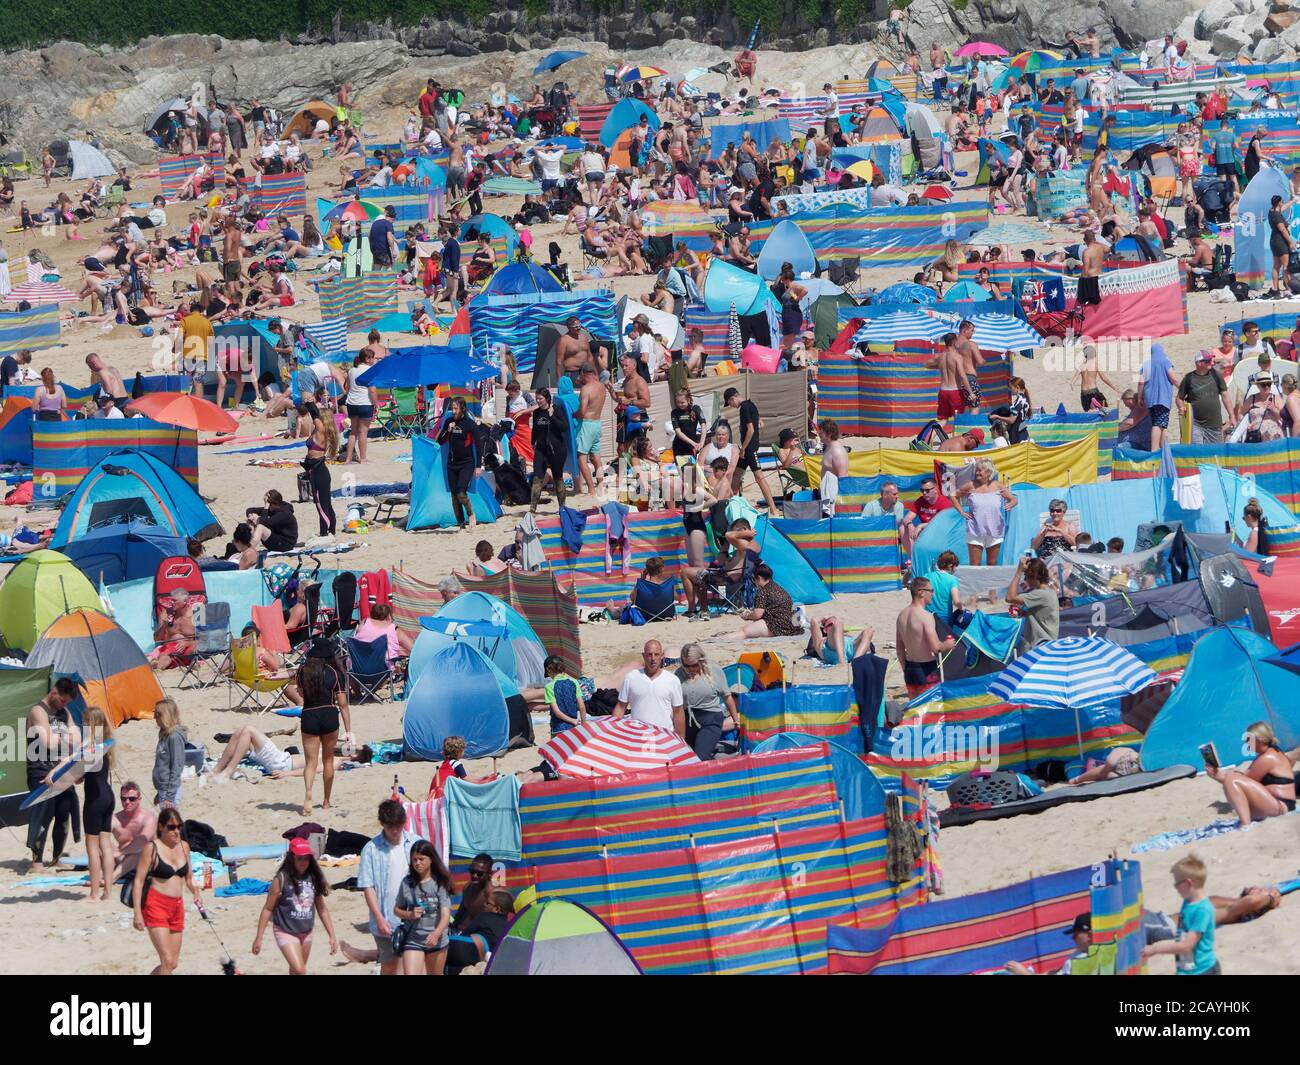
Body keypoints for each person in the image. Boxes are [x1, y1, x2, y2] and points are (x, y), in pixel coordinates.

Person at [131, 808, 204, 975]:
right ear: (161, 827)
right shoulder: (151, 848)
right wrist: (137, 913)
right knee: (167, 960)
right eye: (171, 827)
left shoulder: (184, 847)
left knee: (173, 963)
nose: (176, 831)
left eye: (179, 826)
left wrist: (196, 892)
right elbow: (138, 881)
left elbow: (188, 877)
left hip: (177, 907)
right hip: (155, 905)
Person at [252, 838, 338, 974]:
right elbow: (267, 909)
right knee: (300, 970)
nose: (303, 862)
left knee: (295, 971)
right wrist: (259, 938)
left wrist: (332, 936)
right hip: (285, 931)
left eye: (306, 858)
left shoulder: (313, 878)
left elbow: (322, 910)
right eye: (299, 859)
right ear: (292, 858)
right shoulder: (281, 879)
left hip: (306, 932)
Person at [354, 799, 419, 976]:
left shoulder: (416, 844)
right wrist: (379, 918)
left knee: (412, 966)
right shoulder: (371, 849)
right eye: (391, 827)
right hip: (386, 920)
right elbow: (368, 887)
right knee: (390, 966)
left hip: (415, 919)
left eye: (398, 825)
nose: (395, 831)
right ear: (382, 824)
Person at [24, 678, 81, 873]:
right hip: (40, 770)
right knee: (44, 814)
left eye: (67, 703)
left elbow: (77, 737)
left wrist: (64, 737)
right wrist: (66, 736)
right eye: (63, 700)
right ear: (54, 693)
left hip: (60, 769)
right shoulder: (37, 711)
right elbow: (47, 742)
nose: (65, 705)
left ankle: (56, 857)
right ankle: (36, 861)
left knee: (63, 812)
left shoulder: (63, 712)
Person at [293, 639, 352, 816]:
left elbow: (301, 695)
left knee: (310, 762)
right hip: (329, 715)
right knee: (328, 760)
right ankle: (326, 801)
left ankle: (308, 792)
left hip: (309, 714)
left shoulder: (302, 671)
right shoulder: (334, 673)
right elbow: (343, 704)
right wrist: (349, 730)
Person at [1205, 720, 1296, 825]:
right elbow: (1244, 781)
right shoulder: (1271, 752)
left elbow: (1241, 781)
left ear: (1259, 740)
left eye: (1248, 739)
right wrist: (1222, 776)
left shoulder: (1268, 758)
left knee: (1231, 778)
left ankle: (1245, 824)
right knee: (1232, 778)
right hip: (1278, 805)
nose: (1246, 743)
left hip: (1280, 807)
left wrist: (1219, 776)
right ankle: (1246, 822)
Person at [1143, 855, 1219, 975]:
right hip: (1188, 968)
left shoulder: (1202, 910)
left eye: (1177, 884)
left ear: (1188, 883)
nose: (1175, 888)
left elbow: (1186, 946)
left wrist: (1154, 949)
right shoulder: (1188, 901)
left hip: (1203, 971)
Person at [209, 724, 367, 782]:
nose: (351, 746)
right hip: (282, 759)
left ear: (355, 756)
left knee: (248, 730)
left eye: (355, 748)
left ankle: (227, 770)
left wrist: (287, 775)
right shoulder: (333, 753)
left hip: (282, 764)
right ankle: (218, 769)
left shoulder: (336, 762)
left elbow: (313, 770)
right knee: (241, 732)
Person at [390, 839, 453, 975]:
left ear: (431, 859)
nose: (417, 863)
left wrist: (436, 934)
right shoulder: (407, 883)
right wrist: (410, 915)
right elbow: (396, 910)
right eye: (414, 860)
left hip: (437, 940)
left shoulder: (440, 883)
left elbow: (445, 914)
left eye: (421, 859)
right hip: (413, 939)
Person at [77, 707, 116, 903]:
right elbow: (91, 771)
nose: (82, 724)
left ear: (92, 724)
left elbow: (75, 767)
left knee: (92, 846)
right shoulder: (105, 745)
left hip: (95, 799)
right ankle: (107, 892)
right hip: (108, 795)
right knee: (106, 846)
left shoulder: (90, 746)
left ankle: (93, 893)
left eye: (85, 722)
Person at [674, 642, 738, 761]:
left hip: (711, 718)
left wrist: (736, 720)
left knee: (700, 757)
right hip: (688, 720)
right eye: (687, 666)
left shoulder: (714, 671)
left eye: (694, 665)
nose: (690, 669)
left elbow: (727, 697)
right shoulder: (679, 674)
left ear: (701, 661)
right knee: (688, 757)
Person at [895, 578, 958, 698]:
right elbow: (935, 647)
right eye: (931, 590)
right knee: (931, 710)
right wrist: (948, 644)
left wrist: (905, 669)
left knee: (915, 710)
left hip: (910, 668)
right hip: (926, 669)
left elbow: (899, 649)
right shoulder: (926, 616)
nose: (933, 594)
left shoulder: (901, 615)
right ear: (921, 592)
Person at [723, 387, 779, 518]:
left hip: (749, 448)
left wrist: (743, 448)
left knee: (759, 478)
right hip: (749, 447)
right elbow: (760, 423)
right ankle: (731, 502)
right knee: (736, 474)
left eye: (730, 403)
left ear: (733, 398)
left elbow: (751, 430)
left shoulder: (744, 408)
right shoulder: (751, 404)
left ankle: (774, 509)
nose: (731, 406)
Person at [613, 639, 686, 738]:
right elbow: (621, 707)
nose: (653, 658)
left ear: (662, 655)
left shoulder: (672, 680)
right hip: (637, 735)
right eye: (649, 655)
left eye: (656, 654)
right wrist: (614, 732)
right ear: (643, 655)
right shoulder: (631, 677)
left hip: (664, 737)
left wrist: (681, 740)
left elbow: (678, 712)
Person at [719, 561, 801, 640]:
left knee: (744, 632)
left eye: (754, 579)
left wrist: (746, 616)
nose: (754, 582)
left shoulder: (762, 592)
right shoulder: (780, 589)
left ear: (759, 578)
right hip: (791, 625)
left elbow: (757, 614)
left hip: (777, 626)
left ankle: (718, 640)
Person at [957, 458, 1017, 565]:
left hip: (994, 529)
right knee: (975, 563)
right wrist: (961, 511)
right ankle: (974, 582)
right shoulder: (971, 485)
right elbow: (953, 495)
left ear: (989, 472)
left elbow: (1014, 499)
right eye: (977, 470)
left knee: (992, 563)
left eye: (980, 470)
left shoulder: (998, 485)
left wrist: (1011, 503)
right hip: (975, 530)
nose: (977, 473)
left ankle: (992, 583)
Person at [1005, 912, 1095, 975]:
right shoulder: (1082, 952)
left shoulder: (1087, 962)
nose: (1072, 938)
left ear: (1090, 935)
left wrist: (1024, 973)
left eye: (1076, 934)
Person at [437, 396, 479, 529]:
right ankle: (461, 523)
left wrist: (478, 466)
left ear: (463, 409)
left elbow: (479, 445)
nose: (453, 411)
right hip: (451, 464)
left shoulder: (470, 424)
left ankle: (471, 514)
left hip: (466, 463)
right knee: (454, 495)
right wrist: (448, 430)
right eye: (452, 408)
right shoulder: (449, 421)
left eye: (456, 408)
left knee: (461, 493)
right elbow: (440, 441)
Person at [1176, 350, 1233, 444]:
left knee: (1215, 454)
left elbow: (1225, 395)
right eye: (1207, 361)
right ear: (1199, 363)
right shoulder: (1189, 378)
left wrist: (1232, 416)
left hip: (1214, 424)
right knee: (1198, 453)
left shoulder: (1216, 375)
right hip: (1195, 424)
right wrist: (1181, 407)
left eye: (1211, 360)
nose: (1211, 362)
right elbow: (1179, 398)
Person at [529, 387, 569, 513]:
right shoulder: (536, 413)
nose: (538, 401)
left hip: (557, 450)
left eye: (540, 399)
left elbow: (564, 427)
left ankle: (562, 507)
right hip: (541, 449)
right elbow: (535, 429)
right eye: (537, 399)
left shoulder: (556, 410)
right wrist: (532, 443)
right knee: (537, 478)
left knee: (558, 478)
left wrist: (552, 416)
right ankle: (532, 509)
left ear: (546, 399)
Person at [1007, 557, 1059, 650]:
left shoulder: (1040, 594)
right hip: (1047, 646)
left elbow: (1010, 597)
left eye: (1025, 576)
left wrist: (1018, 572)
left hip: (1039, 646)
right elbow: (1042, 615)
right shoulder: (1049, 592)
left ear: (1033, 576)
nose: (1025, 579)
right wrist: (1027, 613)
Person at [111, 780, 157, 883]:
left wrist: (119, 852)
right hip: (121, 861)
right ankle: (100, 876)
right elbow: (100, 835)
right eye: (123, 799)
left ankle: (110, 879)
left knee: (140, 851)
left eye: (132, 799)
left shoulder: (149, 818)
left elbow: (143, 841)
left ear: (139, 799)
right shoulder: (115, 819)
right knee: (103, 846)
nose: (127, 802)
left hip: (144, 863)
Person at [303, 413, 339, 538]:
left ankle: (325, 533)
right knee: (326, 503)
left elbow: (313, 413)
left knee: (322, 505)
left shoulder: (321, 431)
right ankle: (331, 530)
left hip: (319, 472)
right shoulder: (318, 431)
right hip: (316, 471)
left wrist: (309, 402)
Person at [926, 333, 973, 425]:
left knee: (943, 420)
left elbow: (926, 364)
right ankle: (956, 439)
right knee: (959, 420)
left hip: (943, 391)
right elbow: (962, 376)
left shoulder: (940, 356)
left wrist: (940, 366)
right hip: (955, 392)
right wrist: (971, 393)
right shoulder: (957, 357)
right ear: (954, 342)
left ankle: (928, 438)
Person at [575, 364, 606, 497]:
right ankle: (600, 486)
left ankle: (591, 490)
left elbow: (582, 412)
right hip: (597, 423)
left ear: (583, 374)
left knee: (581, 457)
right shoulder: (601, 386)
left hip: (586, 424)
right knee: (596, 456)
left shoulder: (586, 389)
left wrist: (573, 414)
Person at [343, 351, 377, 464]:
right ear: (367, 359)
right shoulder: (369, 371)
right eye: (372, 358)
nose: (374, 360)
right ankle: (363, 458)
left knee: (353, 432)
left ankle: (348, 458)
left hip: (352, 403)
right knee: (363, 433)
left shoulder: (351, 370)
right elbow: (372, 390)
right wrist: (376, 404)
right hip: (365, 403)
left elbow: (347, 388)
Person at [152, 698, 186, 810]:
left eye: (157, 714)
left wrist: (169, 796)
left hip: (169, 792)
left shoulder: (174, 737)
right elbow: (163, 764)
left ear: (165, 715)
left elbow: (177, 766)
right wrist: (159, 792)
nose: (154, 717)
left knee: (170, 824)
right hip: (164, 789)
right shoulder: (164, 734)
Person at [816, 418, 849, 514]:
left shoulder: (837, 451)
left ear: (829, 434)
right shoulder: (829, 447)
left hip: (834, 497)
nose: (819, 435)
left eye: (821, 433)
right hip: (827, 493)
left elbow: (842, 478)